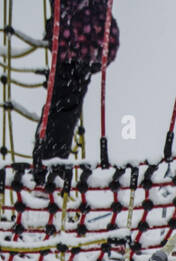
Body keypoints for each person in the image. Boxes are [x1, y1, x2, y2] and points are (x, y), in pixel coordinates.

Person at [36, 0, 120, 161]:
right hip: (94, 42)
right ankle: (50, 159)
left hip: (73, 41)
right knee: (66, 105)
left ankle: (49, 160)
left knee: (62, 107)